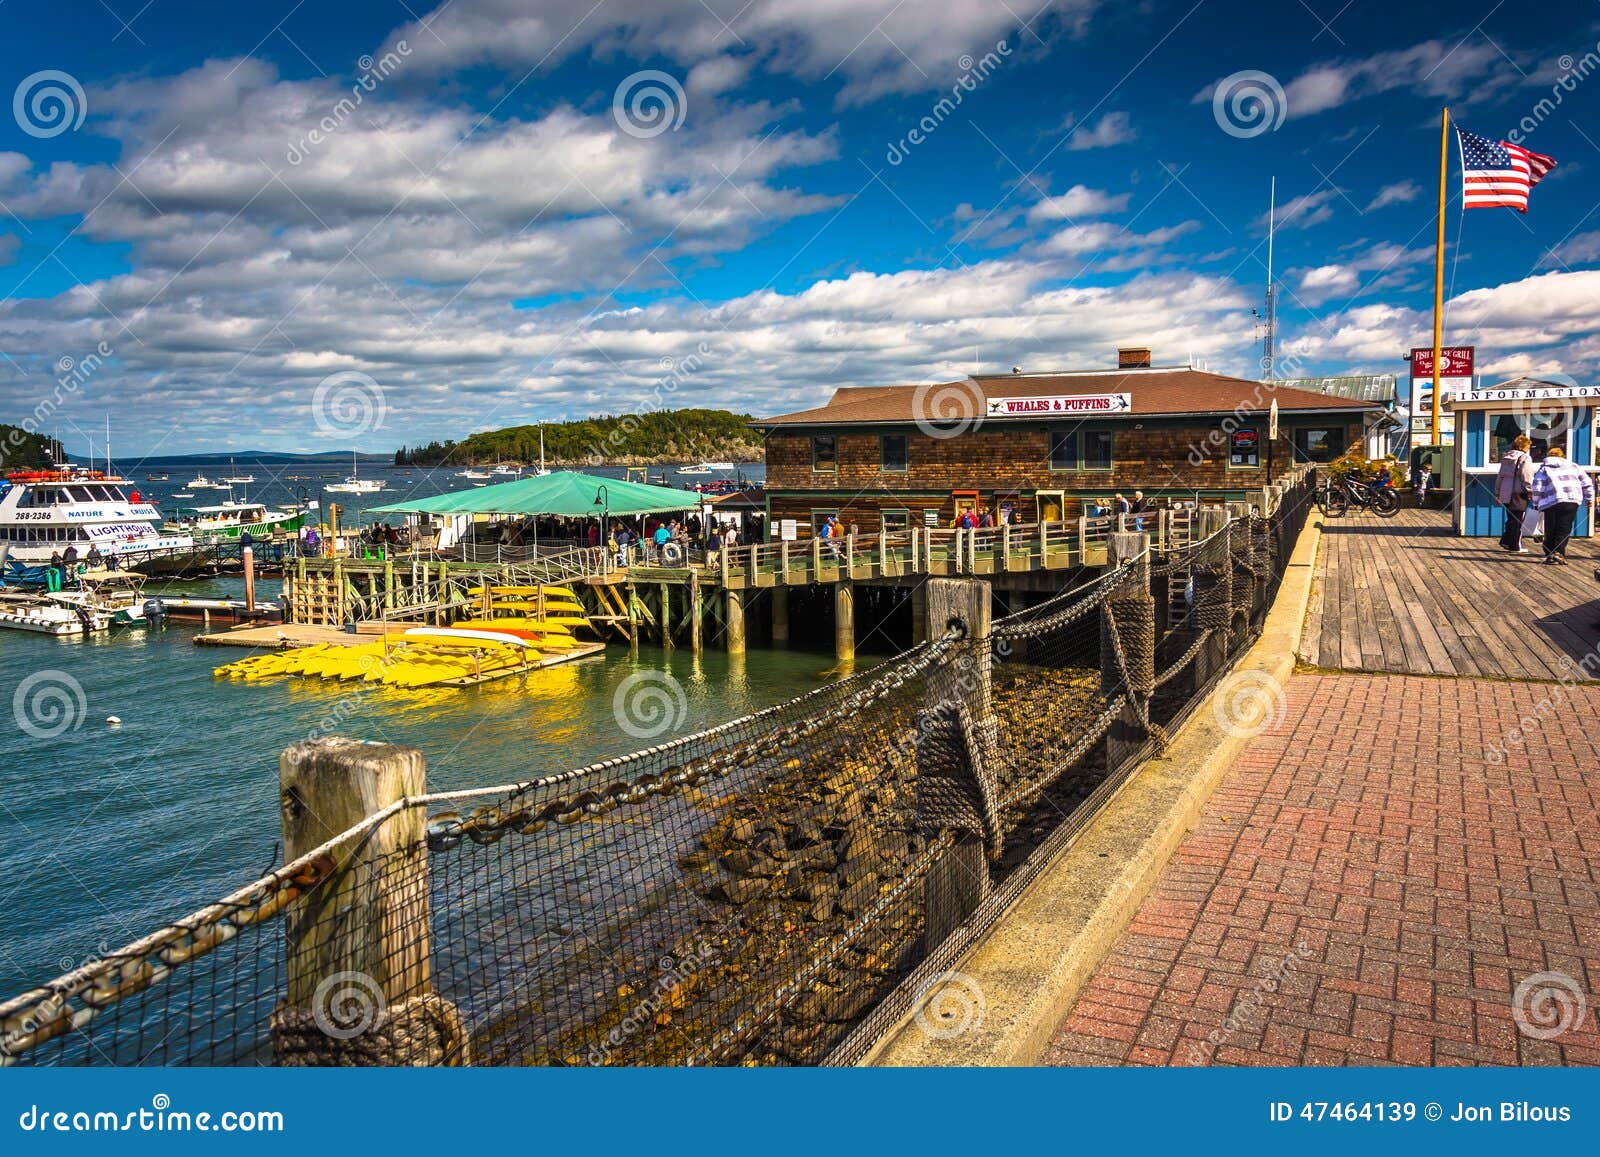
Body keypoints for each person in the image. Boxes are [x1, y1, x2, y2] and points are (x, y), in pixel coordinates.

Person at [1529, 446, 1594, 564]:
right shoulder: (1574, 466)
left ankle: (1550, 554)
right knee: (1564, 528)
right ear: (1562, 456)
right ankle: (1559, 552)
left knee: (1551, 528)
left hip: (1551, 501)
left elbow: (1538, 486)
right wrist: (1589, 498)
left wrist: (1535, 503)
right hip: (1572, 500)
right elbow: (1587, 483)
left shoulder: (1544, 468)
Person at [1495, 435, 1535, 554]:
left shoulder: (1506, 458)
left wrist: (1497, 493)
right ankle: (1515, 545)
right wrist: (1530, 490)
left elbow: (1500, 477)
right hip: (1518, 492)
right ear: (1524, 446)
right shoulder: (1524, 458)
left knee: (1511, 518)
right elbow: (1526, 476)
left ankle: (1506, 541)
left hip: (1505, 491)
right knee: (1518, 519)